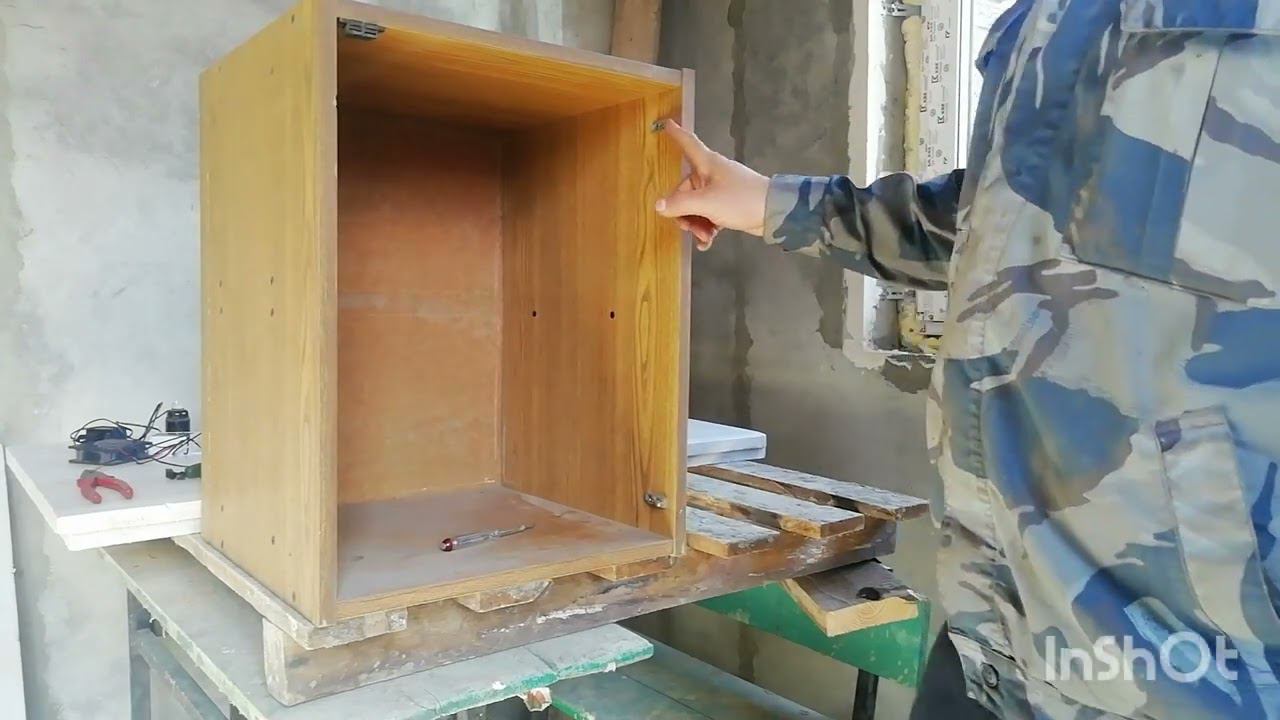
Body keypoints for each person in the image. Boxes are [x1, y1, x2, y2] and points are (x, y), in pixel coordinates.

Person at [655, 1, 1280, 718]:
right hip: (996, 626)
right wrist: (773, 203)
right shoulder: (1048, 17)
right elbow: (1004, 220)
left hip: (1194, 662)